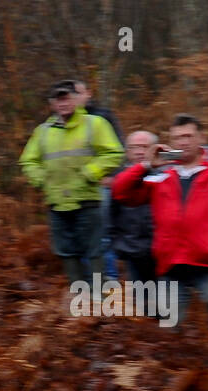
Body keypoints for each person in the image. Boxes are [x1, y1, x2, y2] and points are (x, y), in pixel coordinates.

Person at [112, 113, 208, 326]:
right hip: (171, 264)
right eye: (177, 138)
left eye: (188, 136)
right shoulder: (161, 174)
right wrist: (145, 165)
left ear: (201, 137)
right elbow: (121, 193)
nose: (183, 141)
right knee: (169, 330)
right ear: (170, 142)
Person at [19, 79, 124, 284]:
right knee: (66, 250)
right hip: (56, 201)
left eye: (67, 98)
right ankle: (78, 295)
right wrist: (41, 179)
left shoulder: (95, 124)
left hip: (87, 198)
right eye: (58, 100)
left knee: (93, 248)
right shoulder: (43, 131)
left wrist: (90, 173)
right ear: (51, 104)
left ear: (76, 100)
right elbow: (28, 160)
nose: (63, 103)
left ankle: (99, 295)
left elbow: (114, 152)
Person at [74, 80, 123, 282]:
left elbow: (118, 148)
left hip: (100, 185)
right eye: (71, 94)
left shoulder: (103, 117)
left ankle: (108, 277)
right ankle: (87, 279)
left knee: (102, 233)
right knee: (79, 235)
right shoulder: (58, 122)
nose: (74, 98)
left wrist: (111, 175)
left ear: (88, 94)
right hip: (72, 189)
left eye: (78, 93)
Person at [109, 131, 159, 281]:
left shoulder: (166, 173)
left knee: (168, 299)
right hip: (132, 248)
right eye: (134, 147)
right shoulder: (118, 179)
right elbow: (111, 215)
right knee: (143, 297)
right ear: (127, 151)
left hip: (161, 248)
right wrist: (116, 244)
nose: (139, 151)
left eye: (144, 147)